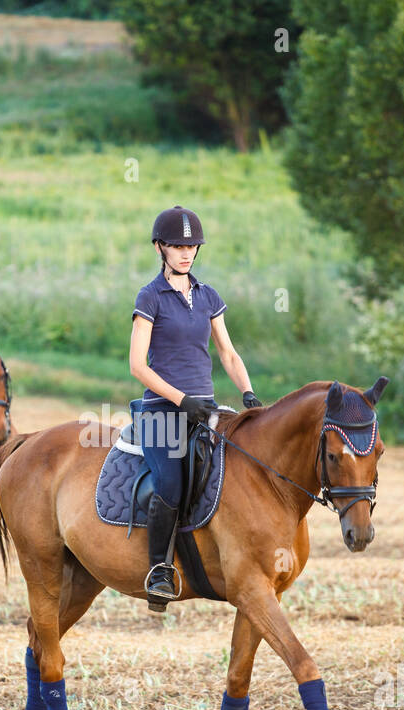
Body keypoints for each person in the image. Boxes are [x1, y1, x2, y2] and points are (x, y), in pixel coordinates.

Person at [128, 205, 262, 610]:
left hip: (205, 409)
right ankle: (159, 571)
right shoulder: (149, 297)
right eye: (177, 245)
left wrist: (249, 395)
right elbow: (136, 365)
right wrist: (180, 400)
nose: (186, 253)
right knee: (169, 483)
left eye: (192, 246)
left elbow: (228, 352)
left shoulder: (208, 296)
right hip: (160, 412)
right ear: (159, 247)